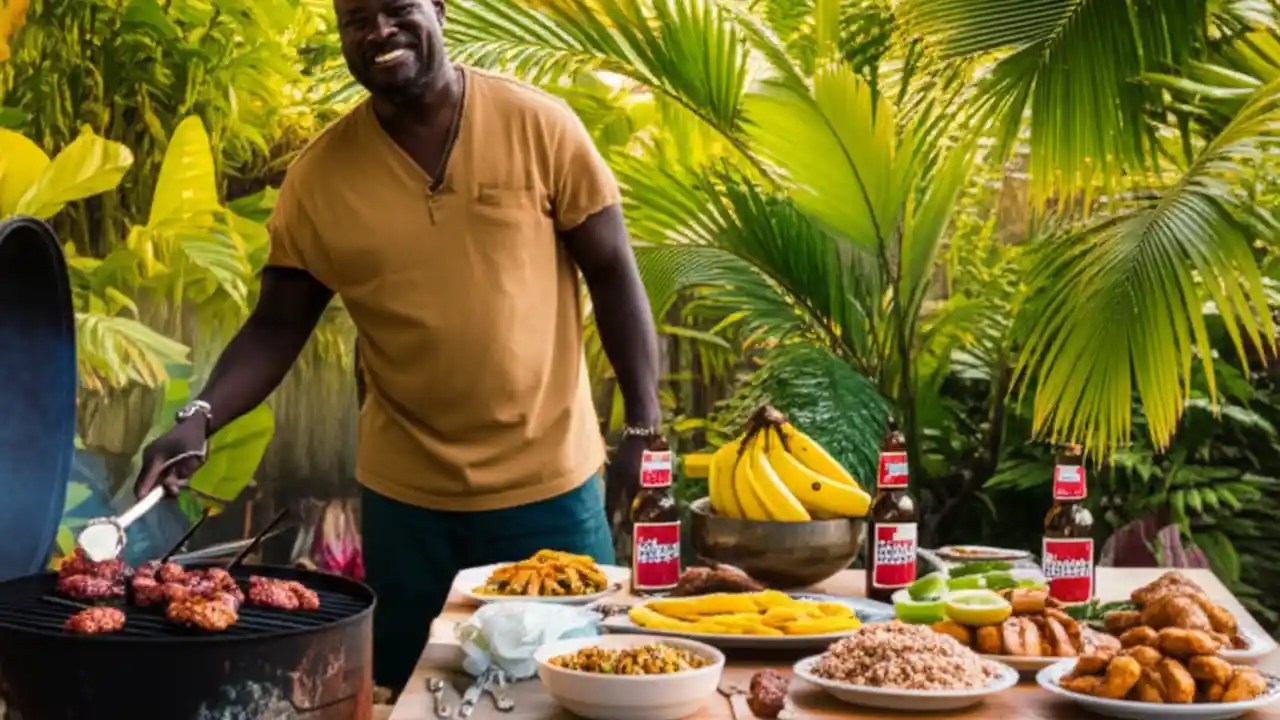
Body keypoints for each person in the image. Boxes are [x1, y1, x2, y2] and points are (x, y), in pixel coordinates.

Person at [134, 0, 660, 693]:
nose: (378, 30)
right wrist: (198, 414)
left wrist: (644, 427)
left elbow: (614, 274)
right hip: (409, 505)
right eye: (356, 19)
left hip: (549, 487)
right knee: (415, 693)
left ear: (437, 10)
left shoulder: (540, 125)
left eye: (395, 8)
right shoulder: (319, 178)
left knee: (563, 690)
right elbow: (276, 324)